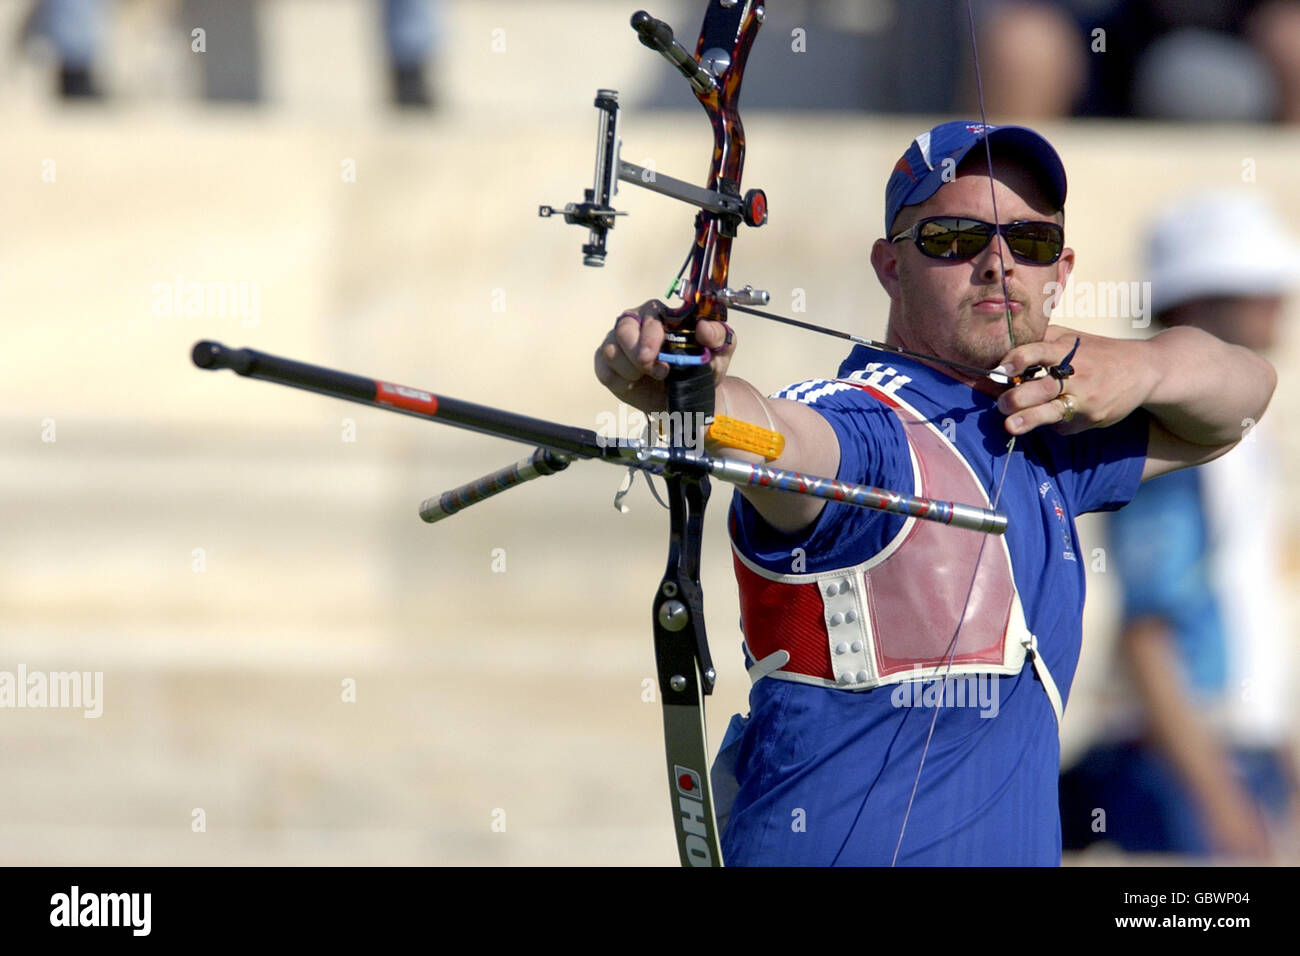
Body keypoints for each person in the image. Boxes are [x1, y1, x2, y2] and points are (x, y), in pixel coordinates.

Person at [593, 120, 1277, 865]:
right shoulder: (863, 427)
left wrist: (1142, 367)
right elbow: (773, 437)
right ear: (891, 266)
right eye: (953, 238)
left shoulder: (1042, 428)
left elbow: (1241, 396)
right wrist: (684, 387)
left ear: (1063, 269)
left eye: (1030, 242)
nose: (997, 264)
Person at [1059, 192, 1299, 859]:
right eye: (1252, 287)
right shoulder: (1172, 453)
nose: (1278, 298)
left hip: (1228, 761)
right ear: (1195, 305)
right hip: (1176, 769)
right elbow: (1149, 634)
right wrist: (1220, 802)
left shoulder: (1251, 440)